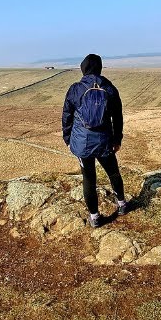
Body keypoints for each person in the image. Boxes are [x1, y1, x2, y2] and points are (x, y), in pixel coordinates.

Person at [62, 53, 127, 227]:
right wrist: (117, 139)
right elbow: (117, 117)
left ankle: (95, 217)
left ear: (83, 69)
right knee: (113, 172)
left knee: (89, 179)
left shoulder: (75, 89)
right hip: (105, 141)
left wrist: (68, 139)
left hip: (82, 144)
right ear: (100, 68)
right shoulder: (109, 88)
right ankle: (121, 204)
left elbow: (67, 116)